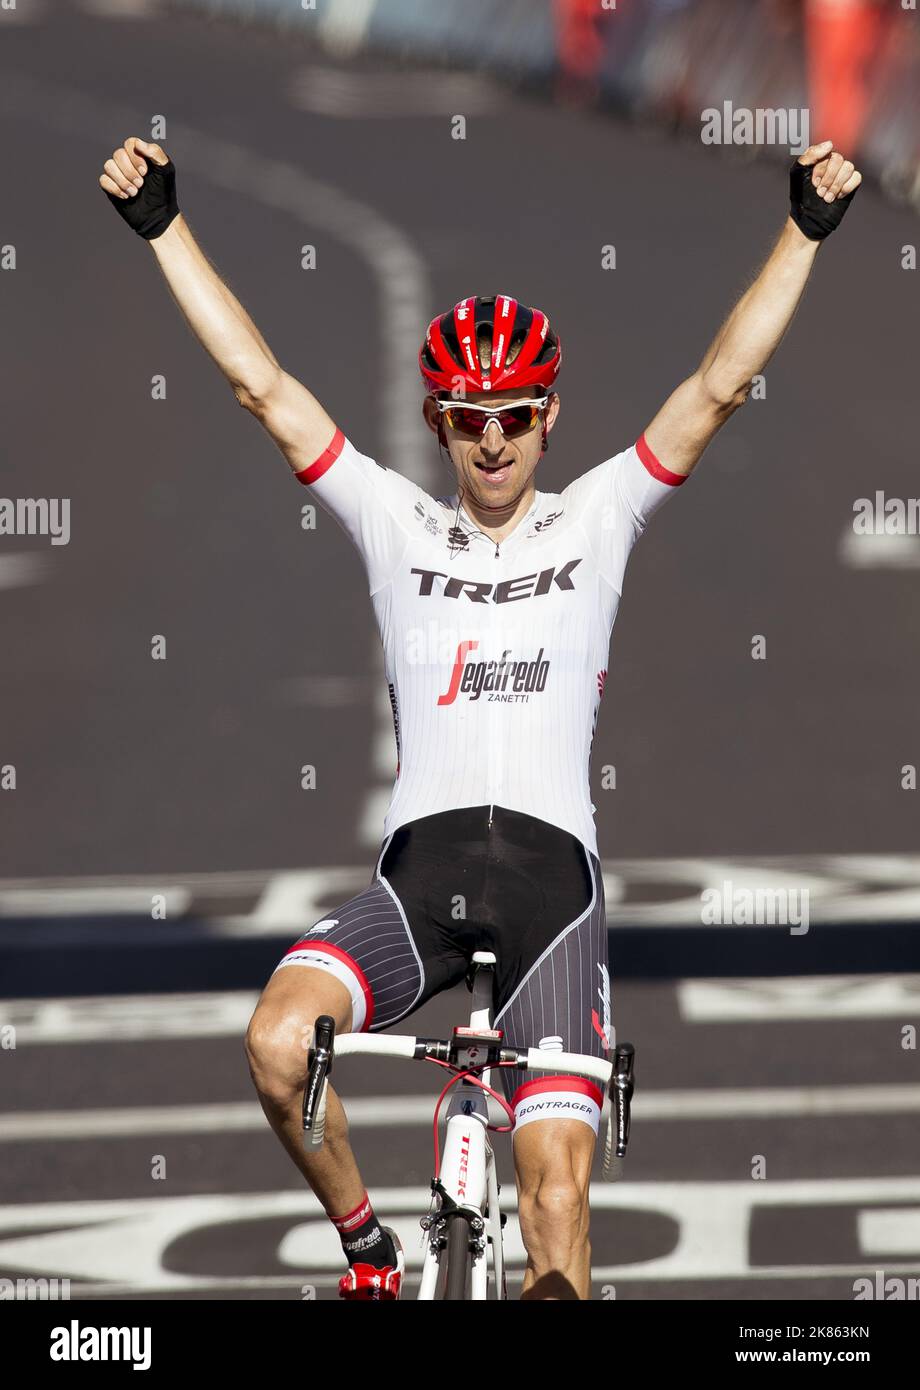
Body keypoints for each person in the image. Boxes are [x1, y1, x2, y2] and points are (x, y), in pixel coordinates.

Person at [100, 136, 860, 1300]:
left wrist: (801, 232)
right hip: (419, 884)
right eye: (466, 417)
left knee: (556, 1208)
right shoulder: (397, 524)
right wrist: (163, 226)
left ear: (548, 417)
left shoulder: (597, 518)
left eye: (511, 413)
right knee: (272, 1041)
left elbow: (714, 385)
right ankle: (367, 1250)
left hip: (553, 893)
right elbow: (261, 385)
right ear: (437, 422)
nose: (491, 438)